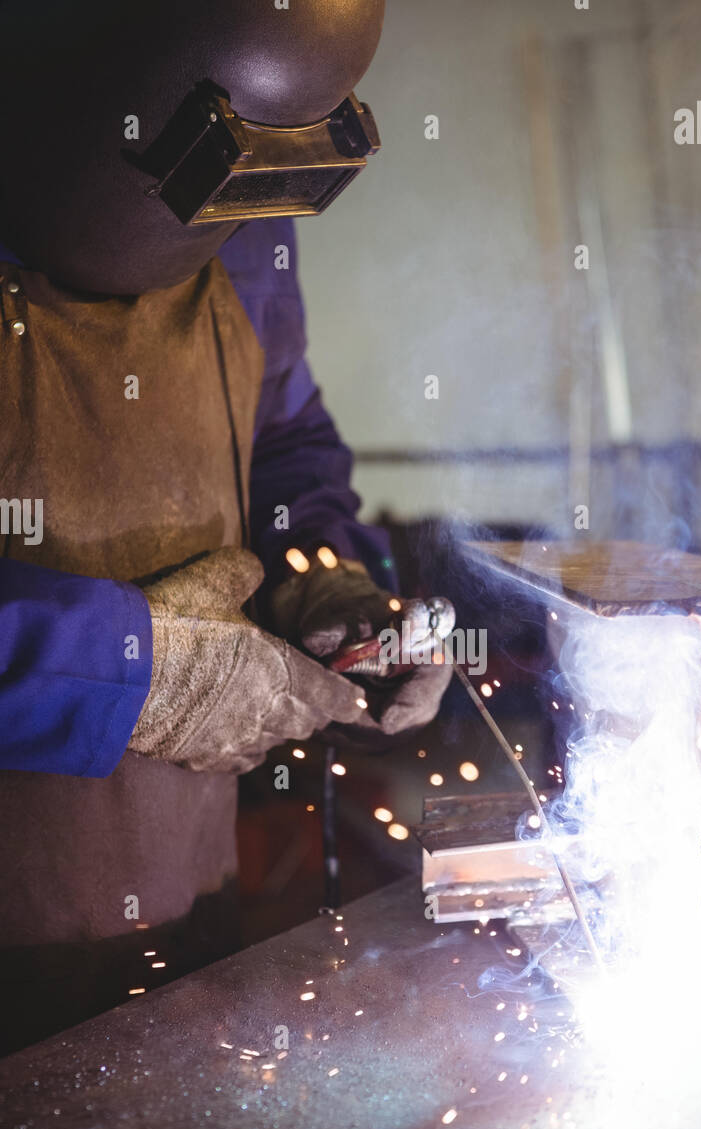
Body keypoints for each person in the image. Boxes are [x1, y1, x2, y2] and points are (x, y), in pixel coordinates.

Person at [0, 0, 450, 1053]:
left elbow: (284, 445)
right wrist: (123, 670)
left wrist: (324, 581)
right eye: (205, 173)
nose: (229, 221)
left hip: (182, 933)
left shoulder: (249, 209)